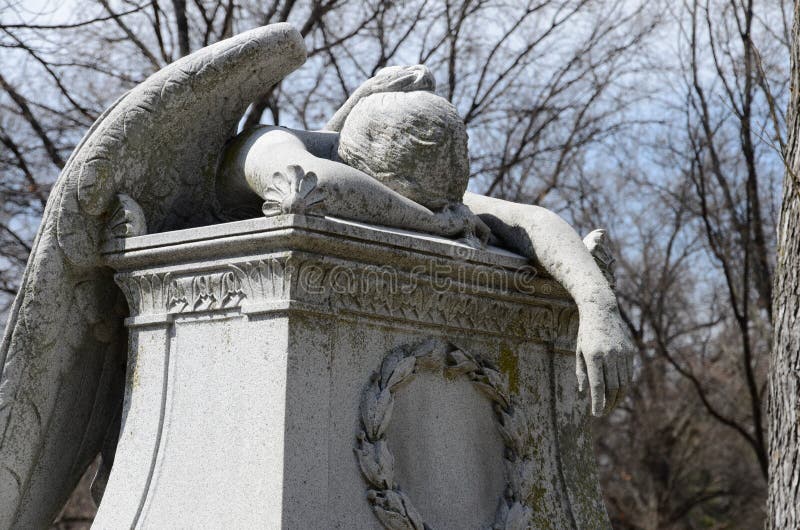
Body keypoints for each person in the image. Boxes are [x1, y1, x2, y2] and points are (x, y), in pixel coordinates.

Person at [216, 65, 633, 416]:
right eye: (421, 202)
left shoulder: (396, 172)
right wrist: (432, 223)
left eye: (443, 205)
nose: (446, 212)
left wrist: (598, 304)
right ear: (374, 170)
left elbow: (529, 220)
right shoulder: (264, 143)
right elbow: (310, 183)